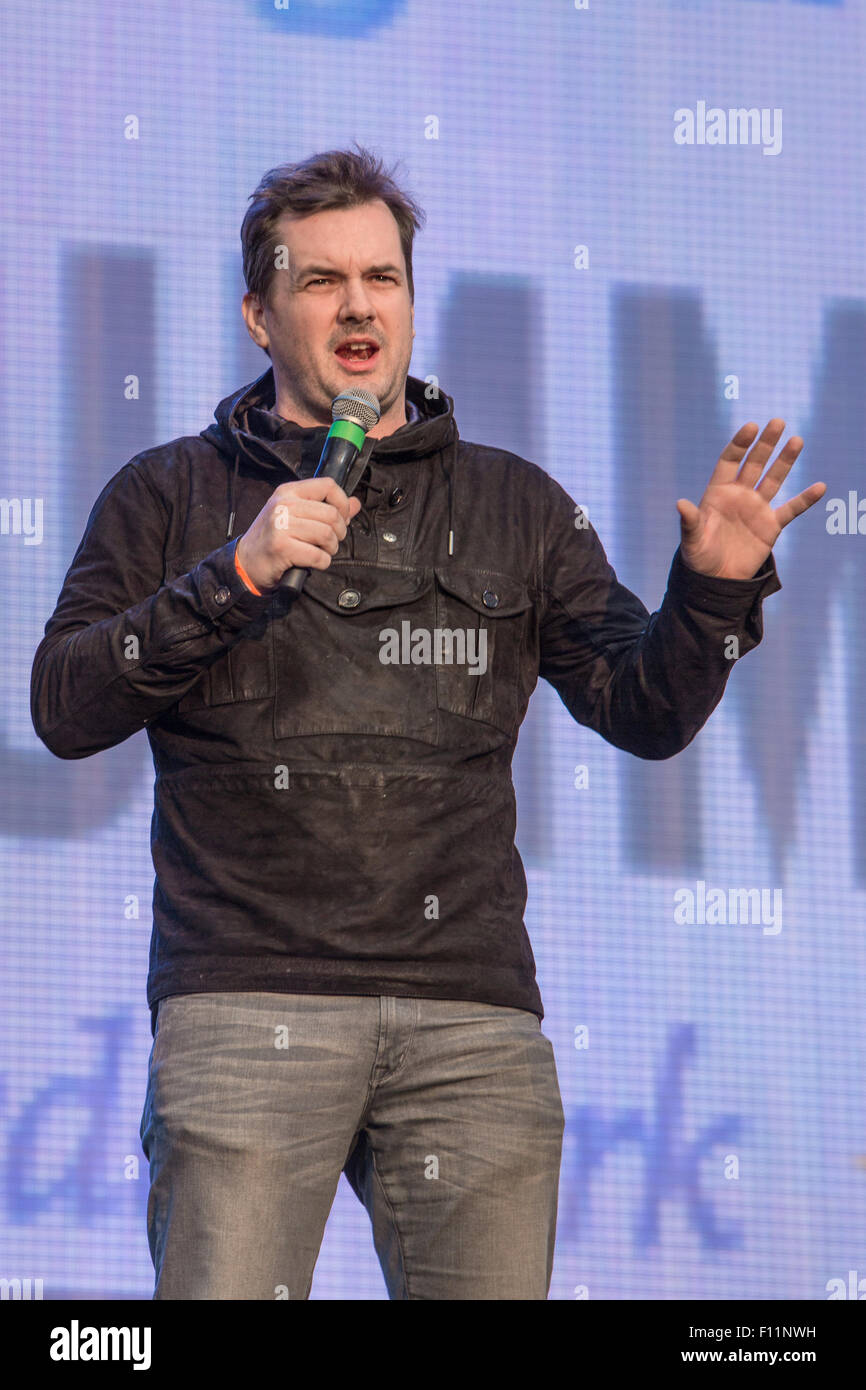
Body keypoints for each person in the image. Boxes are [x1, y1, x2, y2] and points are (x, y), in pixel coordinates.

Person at [30, 145, 825, 1300]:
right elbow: (65, 705)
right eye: (319, 281)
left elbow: (643, 711)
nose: (358, 304)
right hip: (249, 1001)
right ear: (258, 314)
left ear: (408, 297)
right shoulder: (167, 496)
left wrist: (709, 593)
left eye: (382, 277)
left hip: (469, 1020)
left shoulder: (515, 504)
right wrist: (232, 579)